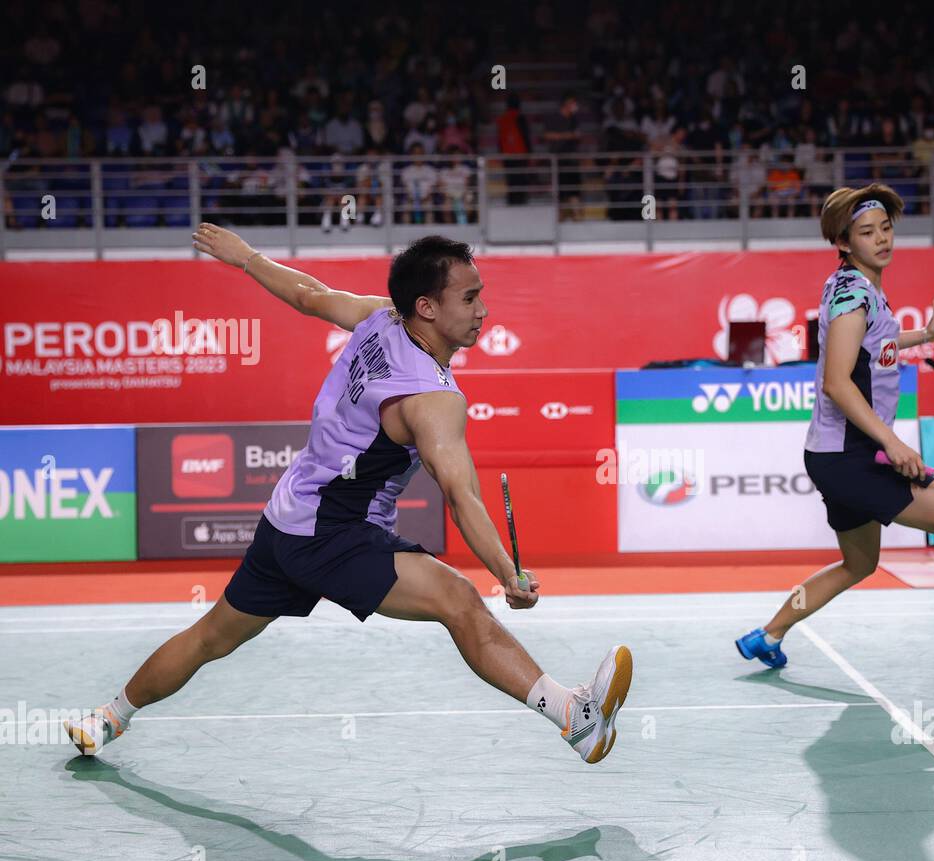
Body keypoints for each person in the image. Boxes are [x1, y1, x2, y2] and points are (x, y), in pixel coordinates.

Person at [65, 227, 634, 764]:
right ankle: (574, 717)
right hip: (332, 532)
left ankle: (107, 717)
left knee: (211, 636)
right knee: (460, 602)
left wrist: (245, 257)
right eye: (470, 297)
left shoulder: (380, 320)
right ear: (427, 307)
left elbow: (310, 295)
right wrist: (507, 574)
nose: (483, 311)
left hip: (288, 515)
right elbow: (462, 498)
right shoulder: (433, 400)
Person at [735, 184, 934, 697]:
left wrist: (924, 335)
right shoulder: (854, 293)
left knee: (860, 563)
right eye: (867, 233)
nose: (881, 239)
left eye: (886, 228)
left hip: (833, 453)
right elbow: (837, 381)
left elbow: (869, 345)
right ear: (844, 242)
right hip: (853, 455)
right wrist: (892, 444)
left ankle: (767, 635)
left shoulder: (851, 285)